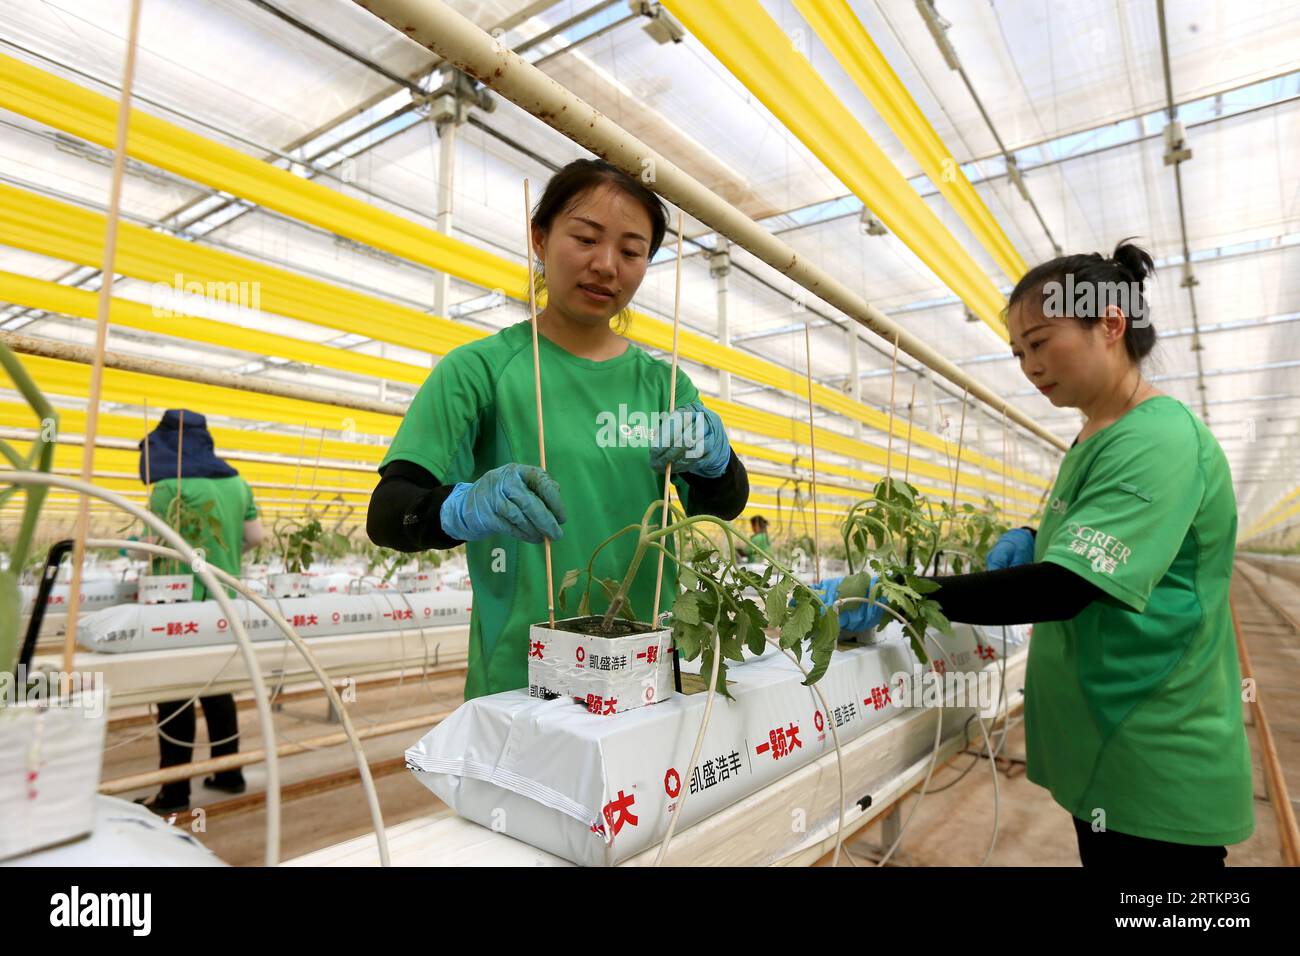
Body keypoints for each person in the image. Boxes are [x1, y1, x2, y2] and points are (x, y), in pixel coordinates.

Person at [816, 241, 1252, 866]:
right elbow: (1089, 537)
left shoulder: (1159, 438)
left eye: (1041, 342)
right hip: (1106, 750)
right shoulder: (1095, 435)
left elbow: (1062, 588)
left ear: (1110, 322)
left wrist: (906, 593)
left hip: (1154, 762)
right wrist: (1032, 534)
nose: (1028, 366)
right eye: (1019, 352)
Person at [368, 159, 749, 699]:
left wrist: (718, 460)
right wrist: (462, 506)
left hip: (644, 668)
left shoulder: (664, 385)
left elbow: (723, 505)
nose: (606, 265)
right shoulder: (480, 370)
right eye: (586, 238)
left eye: (631, 251)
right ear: (539, 240)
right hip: (521, 679)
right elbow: (388, 513)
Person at [134, 409, 265, 814]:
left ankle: (175, 792)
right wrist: (222, 560)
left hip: (179, 605)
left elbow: (148, 545)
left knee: (175, 695)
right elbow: (255, 537)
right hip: (224, 602)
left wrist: (129, 547)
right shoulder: (238, 483)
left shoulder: (167, 486)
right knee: (218, 686)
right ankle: (230, 773)